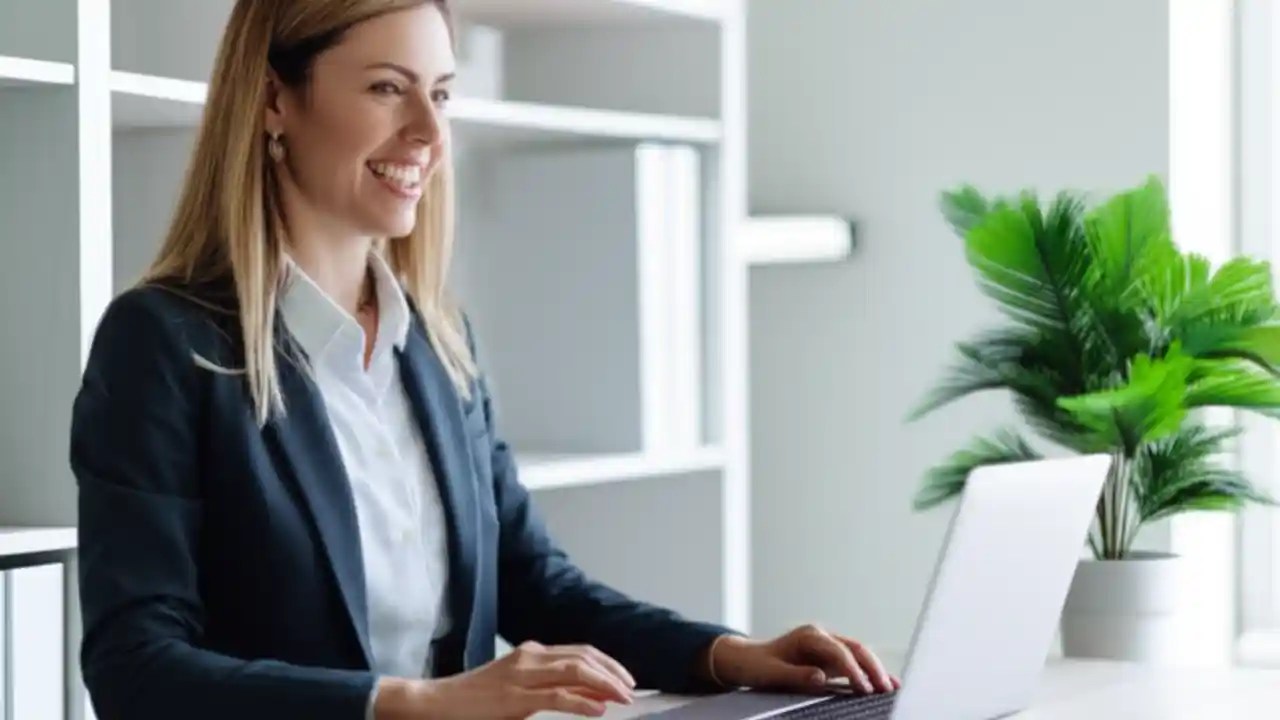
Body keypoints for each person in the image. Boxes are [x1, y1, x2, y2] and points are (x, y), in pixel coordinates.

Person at [69, 1, 899, 718]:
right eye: (387, 89)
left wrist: (728, 655)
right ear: (274, 99)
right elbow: (135, 668)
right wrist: (418, 705)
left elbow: (535, 584)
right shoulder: (163, 343)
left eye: (440, 94)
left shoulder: (438, 340)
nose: (430, 135)